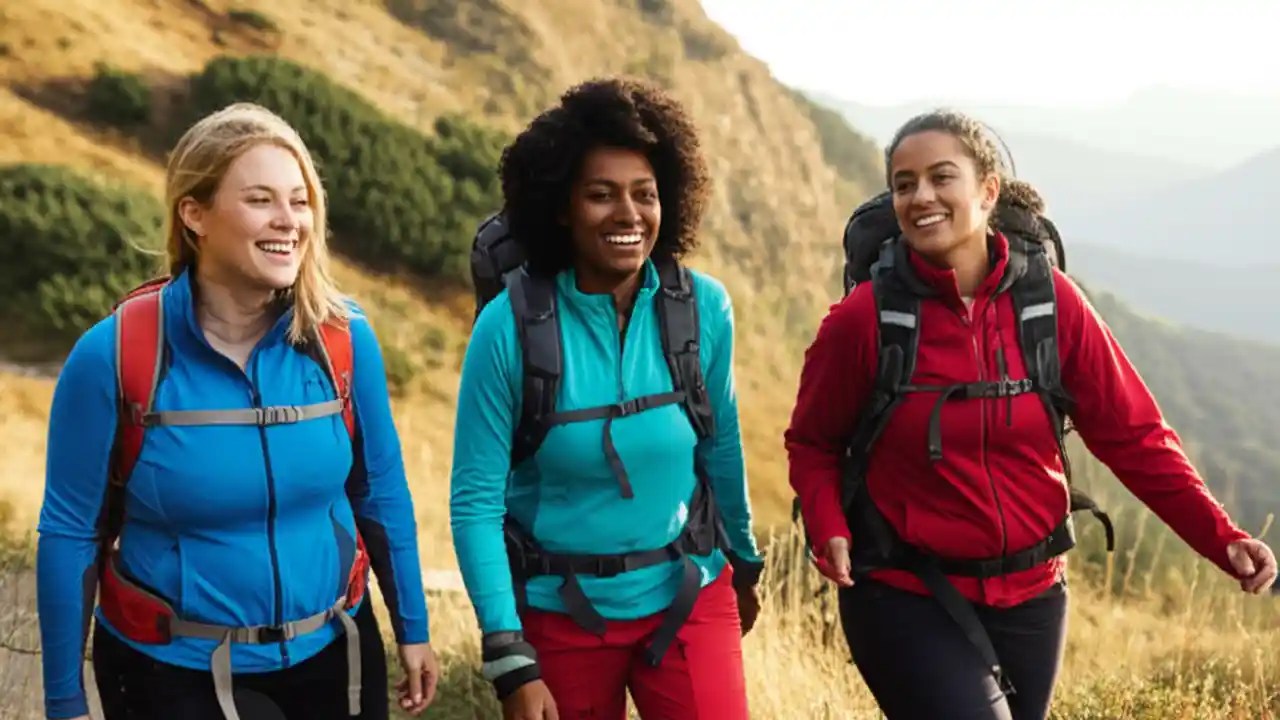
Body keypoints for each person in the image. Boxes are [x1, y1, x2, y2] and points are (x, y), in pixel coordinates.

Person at [784, 108, 1278, 720]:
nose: (922, 197)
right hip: (906, 590)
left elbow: (1135, 437)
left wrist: (1220, 537)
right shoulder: (867, 318)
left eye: (942, 177)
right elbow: (812, 441)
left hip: (1034, 595)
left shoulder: (1050, 303)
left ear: (988, 191)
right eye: (904, 184)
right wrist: (828, 523)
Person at [35, 102, 439, 720]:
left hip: (334, 655)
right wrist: (64, 699)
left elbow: (379, 491)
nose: (289, 222)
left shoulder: (343, 340)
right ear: (194, 215)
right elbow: (69, 532)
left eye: (300, 201)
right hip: (170, 673)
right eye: (260, 200)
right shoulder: (114, 356)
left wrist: (412, 626)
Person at [450, 77, 765, 720]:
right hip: (559, 615)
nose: (628, 214)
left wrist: (745, 559)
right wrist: (510, 656)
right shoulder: (508, 329)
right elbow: (476, 501)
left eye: (644, 195)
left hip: (687, 594)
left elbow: (722, 444)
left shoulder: (702, 308)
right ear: (561, 207)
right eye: (601, 195)